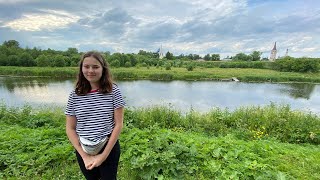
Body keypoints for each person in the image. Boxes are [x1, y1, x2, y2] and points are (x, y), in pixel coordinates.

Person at [65, 51, 125, 180]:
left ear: (103, 69)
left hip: (108, 149)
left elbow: (119, 125)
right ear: (81, 69)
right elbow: (70, 128)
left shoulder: (113, 91)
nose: (90, 70)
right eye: (86, 66)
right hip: (84, 149)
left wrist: (102, 156)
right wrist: (85, 156)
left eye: (95, 67)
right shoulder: (75, 94)